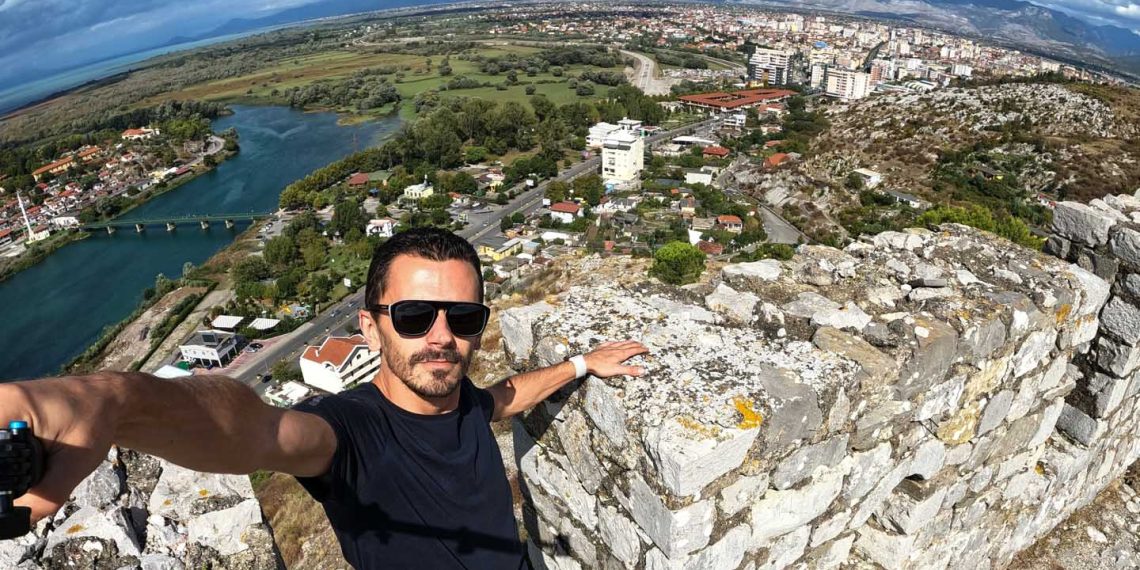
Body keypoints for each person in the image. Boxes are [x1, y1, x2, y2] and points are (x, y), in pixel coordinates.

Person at [0, 227, 649, 569]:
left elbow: (505, 397)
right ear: (370, 326)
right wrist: (115, 399)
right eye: (417, 315)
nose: (443, 337)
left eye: (464, 317)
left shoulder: (464, 403)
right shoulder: (348, 432)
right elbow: (253, 431)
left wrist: (580, 364)